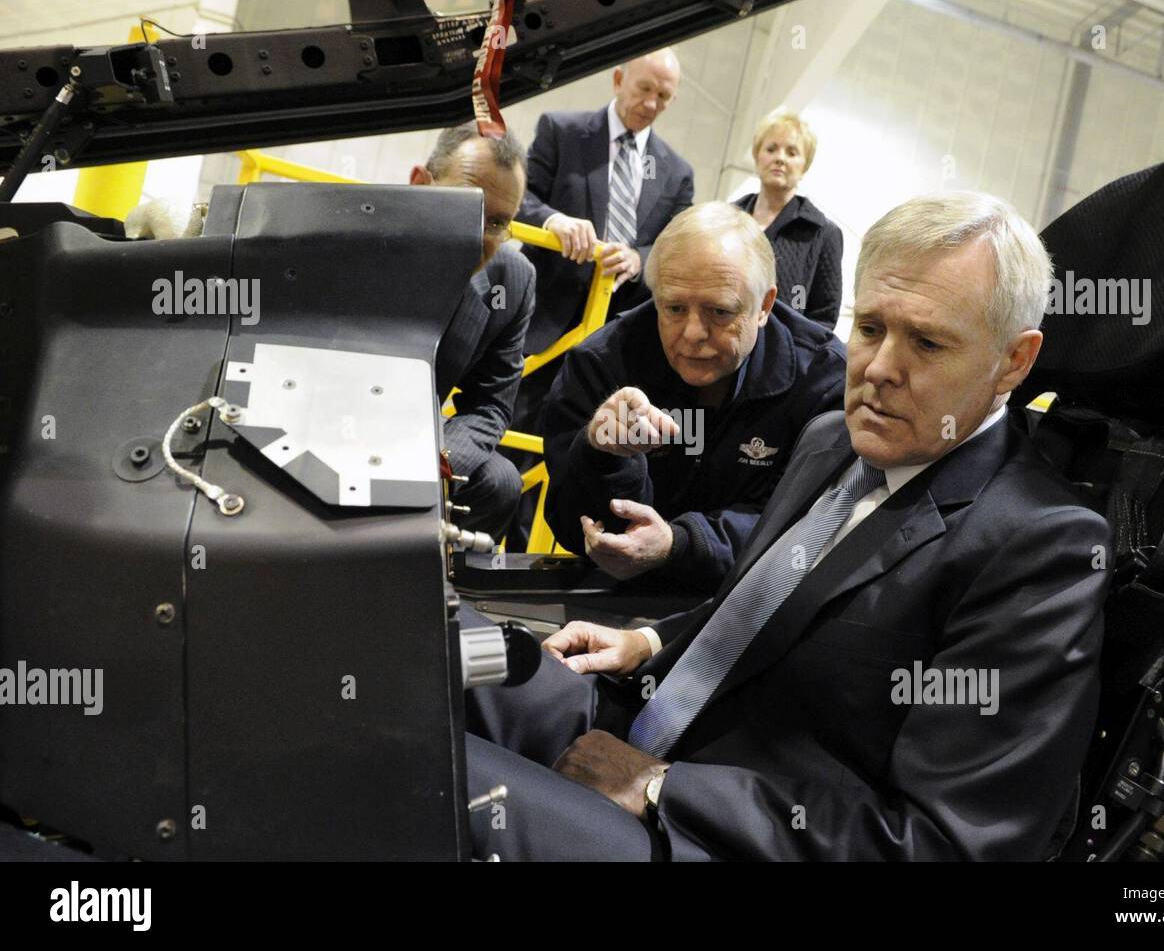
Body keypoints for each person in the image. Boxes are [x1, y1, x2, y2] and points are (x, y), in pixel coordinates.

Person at [465, 191, 1114, 861]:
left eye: (925, 341)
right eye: (870, 329)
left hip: (719, 832)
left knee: (431, 773)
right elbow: (771, 601)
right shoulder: (832, 439)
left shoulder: (1042, 547)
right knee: (432, 647)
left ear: (1014, 360)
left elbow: (943, 845)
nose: (880, 369)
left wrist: (664, 789)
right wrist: (652, 643)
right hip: (646, 717)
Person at [540, 202, 845, 591]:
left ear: (765, 306)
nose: (693, 333)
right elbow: (573, 526)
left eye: (719, 312)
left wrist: (680, 543)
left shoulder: (822, 382)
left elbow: (803, 532)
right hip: (619, 593)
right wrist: (605, 457)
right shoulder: (602, 364)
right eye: (674, 308)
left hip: (751, 603)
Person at [516, 49, 695, 355]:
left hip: (616, 336)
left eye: (664, 96)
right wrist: (553, 220)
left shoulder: (678, 174)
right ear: (618, 80)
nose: (652, 103)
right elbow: (519, 198)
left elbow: (676, 246)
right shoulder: (561, 131)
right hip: (541, 317)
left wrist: (639, 259)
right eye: (645, 88)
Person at [409, 123, 535, 541]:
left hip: (421, 444)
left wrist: (436, 463)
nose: (478, 236)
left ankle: (431, 596)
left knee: (500, 481)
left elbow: (491, 405)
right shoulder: (346, 240)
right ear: (420, 184)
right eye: (467, 208)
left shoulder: (511, 282)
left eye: (498, 223)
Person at [732, 108, 844, 330]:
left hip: (784, 356)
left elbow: (823, 317)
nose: (780, 158)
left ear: (805, 166)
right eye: (771, 149)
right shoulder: (725, 220)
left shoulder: (824, 233)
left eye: (792, 153)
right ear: (757, 157)